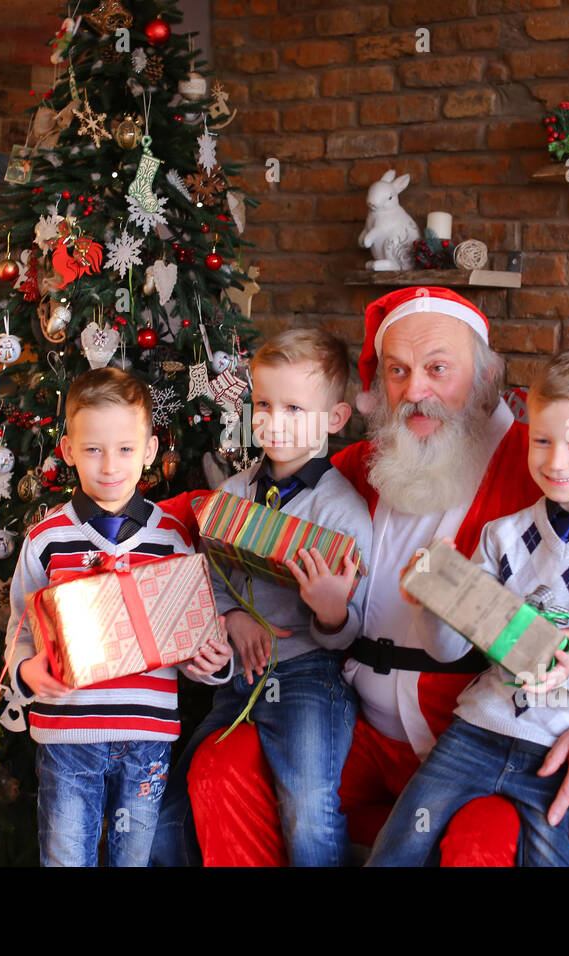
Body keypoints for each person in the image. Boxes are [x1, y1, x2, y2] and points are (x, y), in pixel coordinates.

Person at [183, 286, 569, 866]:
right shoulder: (365, 462)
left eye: (438, 369)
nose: (416, 392)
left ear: (486, 377)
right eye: (398, 372)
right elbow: (211, 515)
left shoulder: (544, 465)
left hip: (471, 736)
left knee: (482, 840)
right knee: (220, 767)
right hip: (349, 723)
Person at [368, 348, 569, 866]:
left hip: (562, 751)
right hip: (478, 730)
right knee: (396, 849)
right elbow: (450, 650)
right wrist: (435, 597)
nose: (555, 461)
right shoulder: (504, 535)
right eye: (541, 440)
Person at [152, 329, 372, 867]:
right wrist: (230, 618)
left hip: (307, 678)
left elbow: (353, 628)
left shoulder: (342, 514)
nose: (273, 421)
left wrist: (330, 609)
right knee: (165, 819)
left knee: (308, 803)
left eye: (295, 408)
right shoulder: (231, 495)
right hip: (238, 682)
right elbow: (210, 578)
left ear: (335, 420)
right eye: (264, 405)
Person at [1, 367, 233, 867]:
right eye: (93, 449)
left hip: (147, 736)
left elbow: (196, 634)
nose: (110, 465)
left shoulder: (173, 538)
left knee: (134, 859)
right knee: (66, 857)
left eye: (126, 449)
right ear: (66, 450)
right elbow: (19, 628)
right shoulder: (46, 540)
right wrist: (26, 671)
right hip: (68, 736)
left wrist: (207, 661)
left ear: (150, 450)